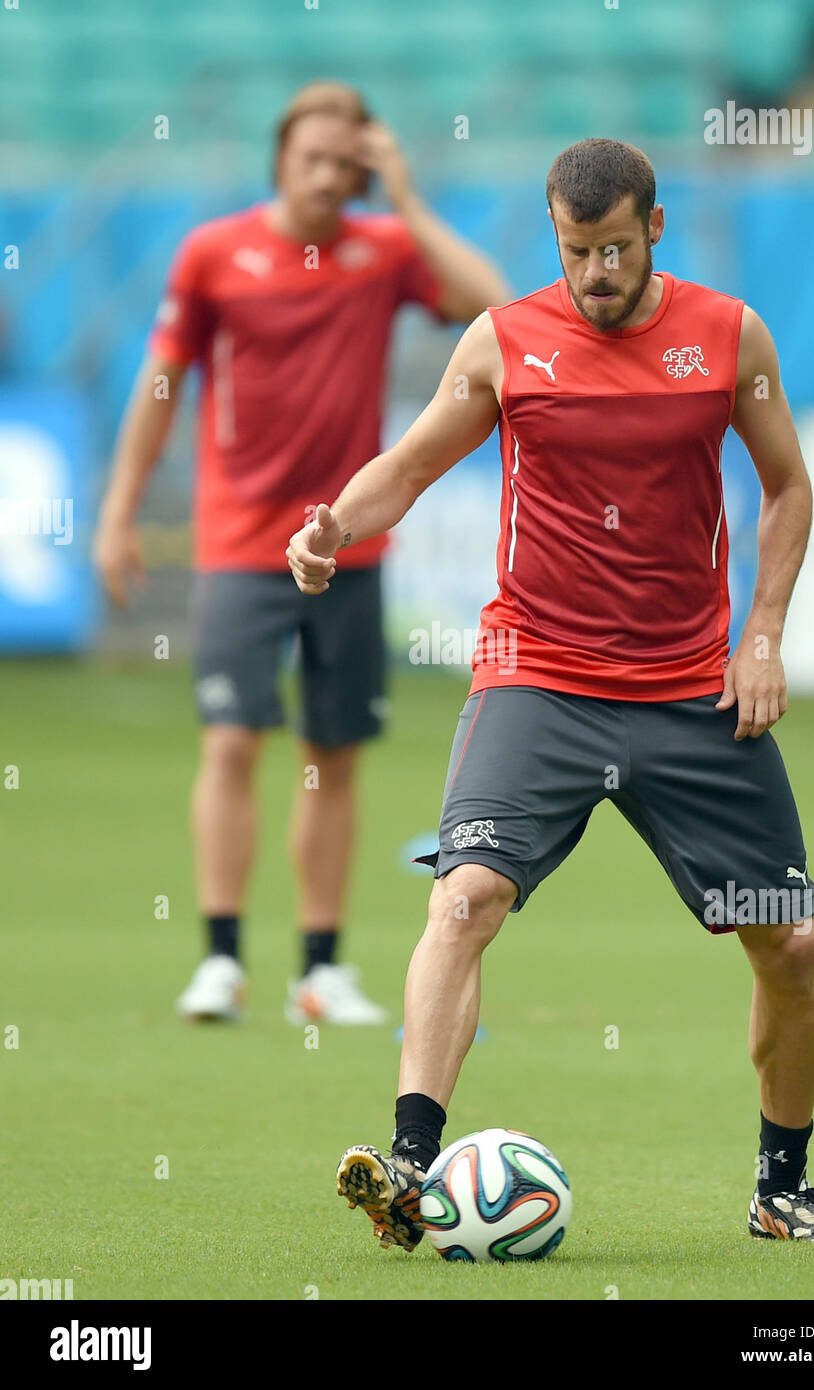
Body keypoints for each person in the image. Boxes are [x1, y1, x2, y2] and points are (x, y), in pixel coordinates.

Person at [287, 138, 814, 1245]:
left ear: (655, 228)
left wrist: (764, 636)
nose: (592, 273)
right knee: (462, 899)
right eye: (571, 250)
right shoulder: (505, 342)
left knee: (786, 945)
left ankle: (780, 1188)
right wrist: (331, 525)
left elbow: (786, 487)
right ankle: (409, 1166)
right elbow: (405, 467)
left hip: (691, 690)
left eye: (610, 249)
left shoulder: (726, 334)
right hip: (535, 681)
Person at [94, 81, 509, 1026]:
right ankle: (222, 961)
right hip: (241, 540)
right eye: (312, 157)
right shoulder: (214, 255)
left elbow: (499, 307)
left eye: (345, 163)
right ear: (280, 160)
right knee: (233, 738)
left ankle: (319, 972)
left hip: (346, 541)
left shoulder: (384, 251)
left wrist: (404, 197)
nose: (328, 176)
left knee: (333, 754)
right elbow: (160, 386)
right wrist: (119, 507)